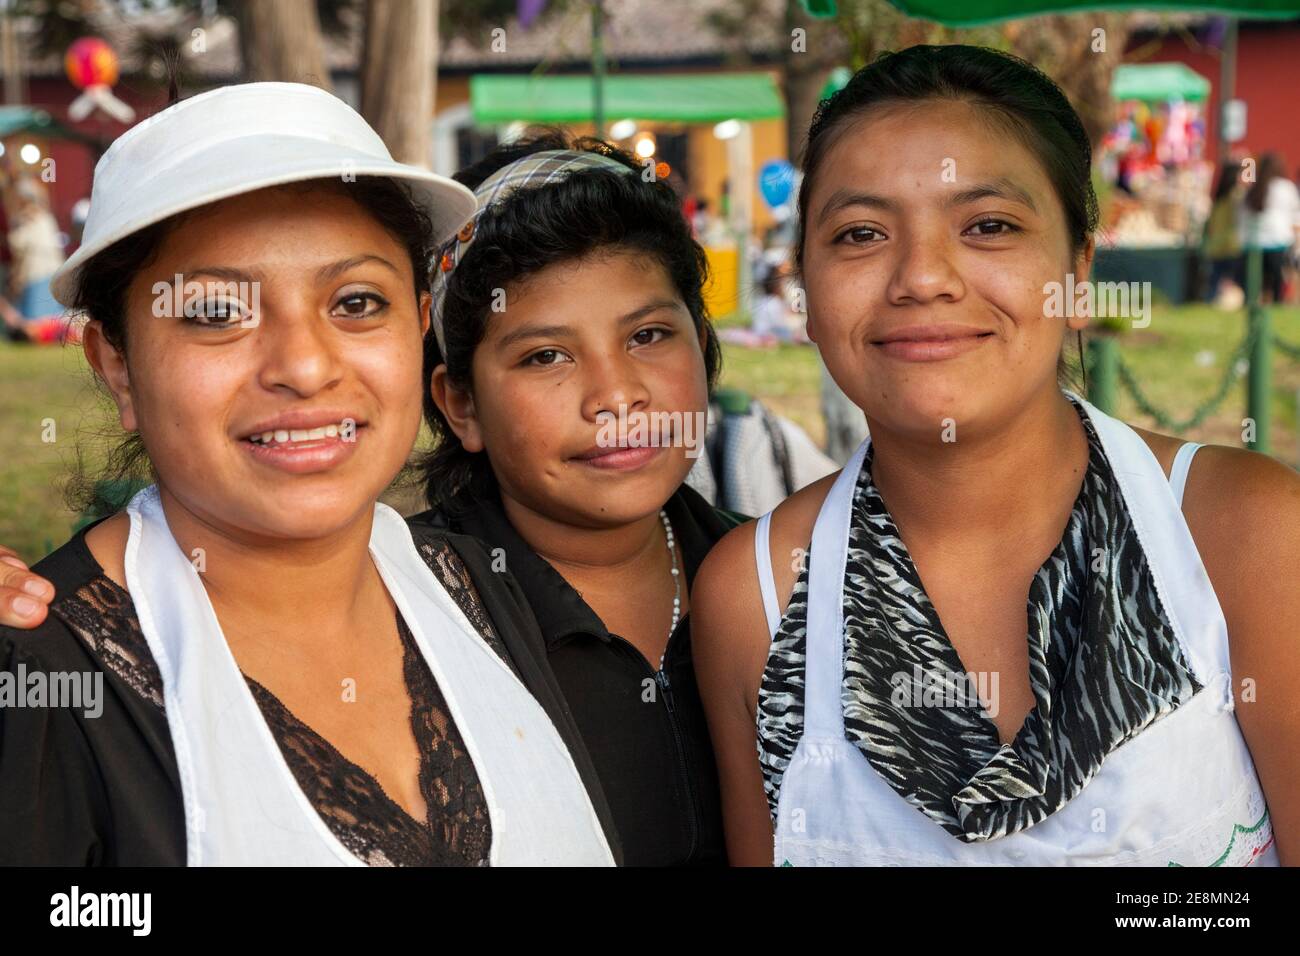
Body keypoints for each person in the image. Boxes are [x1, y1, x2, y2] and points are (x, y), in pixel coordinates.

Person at [692, 45, 1297, 866]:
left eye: (988, 225)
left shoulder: (1243, 536)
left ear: (1079, 267)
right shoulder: (756, 594)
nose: (923, 277)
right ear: (802, 284)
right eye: (861, 233)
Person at [0, 83, 616, 866]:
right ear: (117, 365)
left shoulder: (483, 589)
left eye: (357, 301)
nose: (303, 365)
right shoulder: (44, 682)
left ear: (419, 325)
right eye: (217, 313)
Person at [1242, 152, 1300, 304]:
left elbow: (1243, 216)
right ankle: (1276, 304)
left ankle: (1253, 306)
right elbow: (1294, 215)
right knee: (1276, 281)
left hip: (1253, 242)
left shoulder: (1252, 188)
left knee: (1254, 282)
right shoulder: (1285, 188)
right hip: (1278, 240)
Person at [1202, 160, 1243, 303]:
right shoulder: (1237, 196)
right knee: (1238, 285)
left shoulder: (1217, 198)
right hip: (1232, 247)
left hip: (1215, 247)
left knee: (1213, 285)